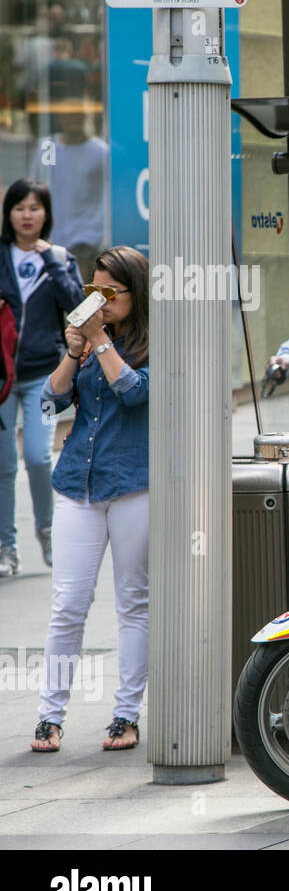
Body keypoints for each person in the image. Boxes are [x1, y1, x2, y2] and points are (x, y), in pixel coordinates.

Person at [30, 246, 150, 753]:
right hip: (77, 480)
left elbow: (135, 392)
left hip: (133, 484)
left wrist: (100, 340)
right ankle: (48, 715)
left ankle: (125, 714)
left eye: (108, 292)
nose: (97, 299)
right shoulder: (86, 341)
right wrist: (74, 349)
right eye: (90, 290)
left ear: (133, 294)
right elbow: (50, 399)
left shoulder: (154, 342)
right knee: (68, 605)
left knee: (133, 602)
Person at [0, 179, 83, 577]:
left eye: (35, 208)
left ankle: (47, 530)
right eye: (20, 208)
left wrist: (51, 260)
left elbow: (77, 308)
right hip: (1, 377)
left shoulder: (62, 258)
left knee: (36, 456)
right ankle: (6, 546)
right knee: (3, 465)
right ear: (9, 213)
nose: (27, 215)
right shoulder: (1, 255)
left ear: (46, 213)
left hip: (42, 376)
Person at [29, 95, 109, 284]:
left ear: (85, 117)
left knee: (78, 291)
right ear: (60, 118)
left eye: (78, 115)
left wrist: (96, 233)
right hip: (52, 235)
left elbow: (107, 194)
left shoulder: (100, 152)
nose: (73, 120)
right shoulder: (48, 147)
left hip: (86, 239)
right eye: (68, 115)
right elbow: (35, 186)